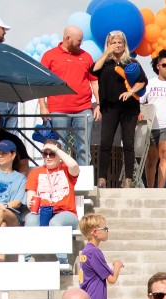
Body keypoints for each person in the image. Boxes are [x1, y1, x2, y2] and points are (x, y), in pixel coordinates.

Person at [93, 31, 146, 187]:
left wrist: (131, 92)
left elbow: (143, 81)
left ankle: (128, 178)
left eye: (120, 42)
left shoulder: (132, 62)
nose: (117, 45)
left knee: (128, 142)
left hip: (129, 108)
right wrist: (106, 54)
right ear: (109, 44)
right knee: (105, 142)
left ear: (124, 45)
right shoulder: (105, 63)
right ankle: (102, 178)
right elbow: (93, 70)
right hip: (109, 107)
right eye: (114, 42)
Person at [39, 26, 98, 165]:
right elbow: (42, 82)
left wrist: (99, 104)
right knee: (59, 148)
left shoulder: (86, 56)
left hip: (84, 109)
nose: (81, 43)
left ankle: (82, 177)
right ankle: (61, 176)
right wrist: (42, 106)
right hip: (58, 109)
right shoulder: (49, 56)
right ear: (67, 39)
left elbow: (94, 82)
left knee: (84, 148)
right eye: (78, 41)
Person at [26, 139, 82, 267]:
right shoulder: (35, 172)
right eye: (45, 154)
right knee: (30, 219)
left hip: (66, 213)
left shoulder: (66, 169)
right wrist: (31, 202)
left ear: (59, 155)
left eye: (52, 154)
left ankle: (63, 261)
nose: (48, 157)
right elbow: (30, 196)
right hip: (43, 211)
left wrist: (56, 149)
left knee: (55, 222)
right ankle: (25, 258)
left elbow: (74, 165)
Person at [77, 213, 123, 299]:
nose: (107, 231)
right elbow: (112, 279)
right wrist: (117, 265)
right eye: (105, 228)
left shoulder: (86, 251)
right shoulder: (94, 252)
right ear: (95, 232)